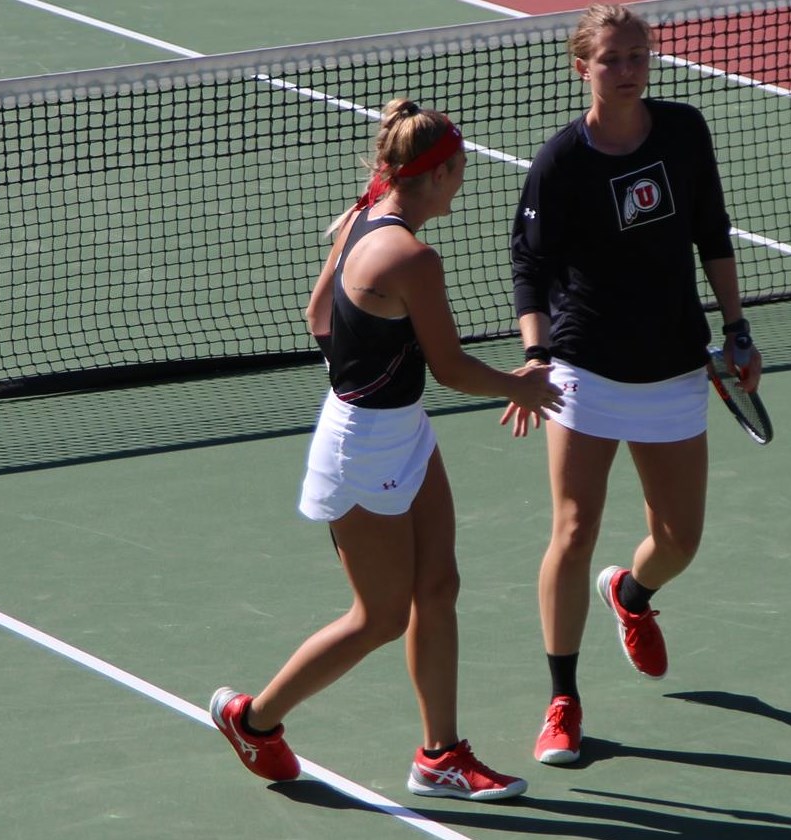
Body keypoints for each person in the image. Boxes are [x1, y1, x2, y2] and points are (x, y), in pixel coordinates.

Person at [210, 98, 562, 800]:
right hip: (366, 444)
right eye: (460, 172)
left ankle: (441, 756)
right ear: (440, 174)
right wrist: (519, 387)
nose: (463, 183)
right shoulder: (412, 256)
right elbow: (452, 368)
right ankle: (254, 720)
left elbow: (317, 316)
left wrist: (361, 364)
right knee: (379, 616)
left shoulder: (363, 217)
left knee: (439, 588)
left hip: (397, 428)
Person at [502, 4, 764, 766]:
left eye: (637, 56)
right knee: (574, 529)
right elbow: (531, 264)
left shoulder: (683, 131)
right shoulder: (562, 161)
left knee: (680, 540)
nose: (627, 70)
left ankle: (633, 594)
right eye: (611, 58)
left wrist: (737, 328)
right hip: (584, 364)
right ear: (581, 67)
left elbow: (711, 229)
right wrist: (535, 353)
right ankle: (562, 699)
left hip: (676, 360)